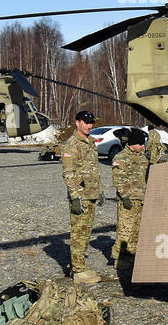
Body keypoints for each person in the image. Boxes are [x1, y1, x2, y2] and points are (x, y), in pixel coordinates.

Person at [62, 110, 102, 285]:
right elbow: (68, 173)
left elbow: (93, 169)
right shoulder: (72, 145)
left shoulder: (90, 143)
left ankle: (80, 266)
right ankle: (78, 271)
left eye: (91, 122)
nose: (89, 125)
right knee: (78, 233)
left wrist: (99, 190)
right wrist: (75, 197)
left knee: (86, 233)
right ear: (77, 123)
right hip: (81, 196)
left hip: (90, 194)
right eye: (86, 122)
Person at [111, 128, 149, 272]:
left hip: (141, 199)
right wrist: (125, 196)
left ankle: (132, 256)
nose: (142, 147)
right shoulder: (120, 158)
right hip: (127, 201)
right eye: (140, 144)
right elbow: (118, 179)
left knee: (137, 231)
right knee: (124, 230)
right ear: (133, 143)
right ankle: (120, 259)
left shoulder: (143, 157)